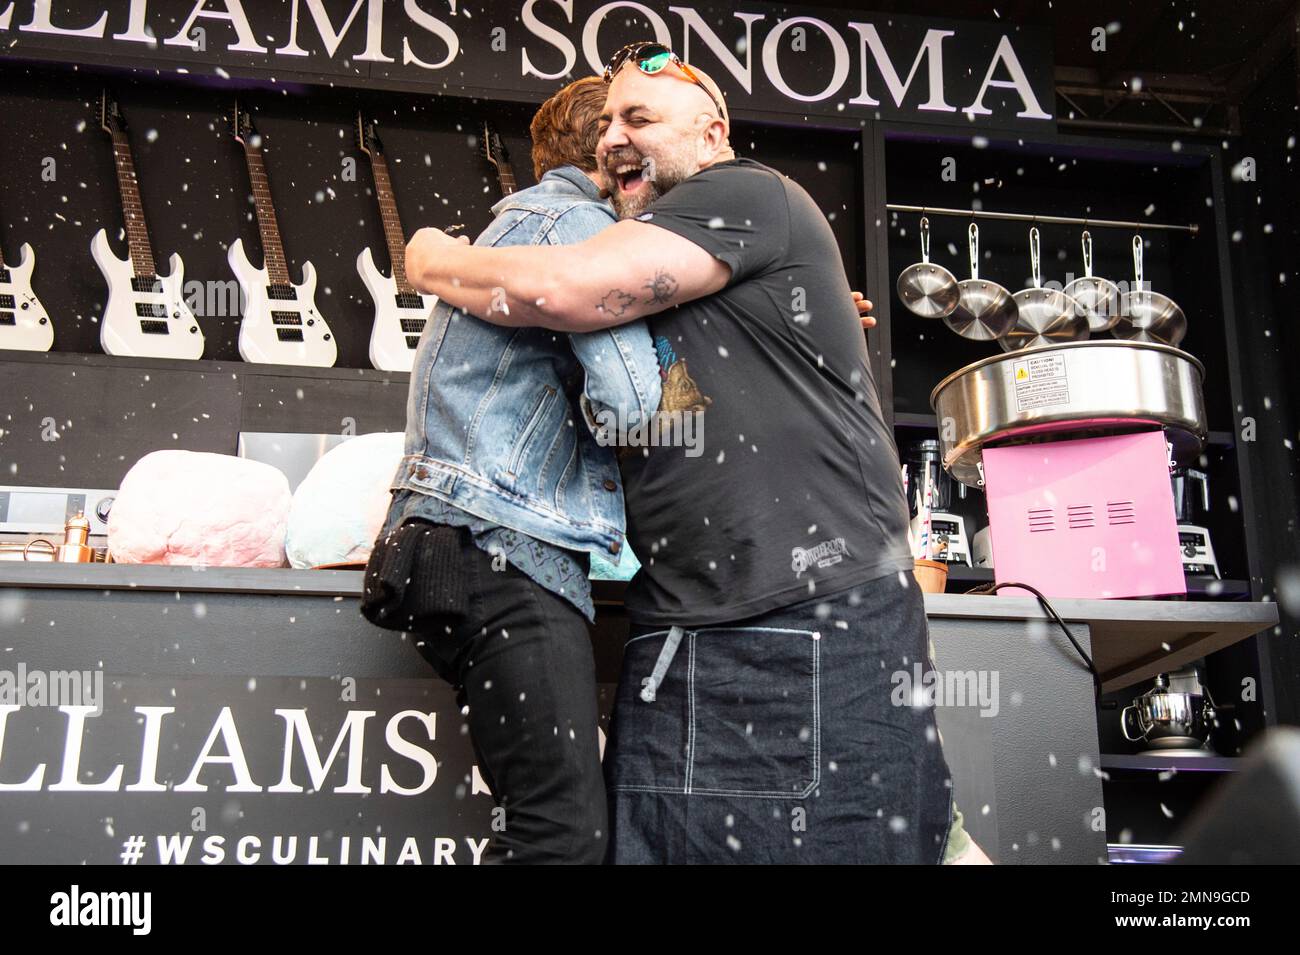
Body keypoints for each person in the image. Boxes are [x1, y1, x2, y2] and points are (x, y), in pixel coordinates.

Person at [404, 44, 955, 863]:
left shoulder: (742, 189)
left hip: (810, 610)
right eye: (608, 125)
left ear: (712, 132)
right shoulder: (674, 272)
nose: (614, 138)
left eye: (641, 117)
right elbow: (636, 399)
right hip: (680, 635)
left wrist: (430, 256)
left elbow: (569, 288)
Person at [361, 77, 661, 864]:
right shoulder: (579, 228)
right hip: (501, 550)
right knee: (559, 837)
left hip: (449, 544)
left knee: (552, 824)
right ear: (611, 148)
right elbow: (632, 402)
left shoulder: (516, 227)